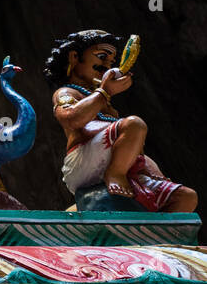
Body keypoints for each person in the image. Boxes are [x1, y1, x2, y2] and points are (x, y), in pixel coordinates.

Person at [44, 29, 196, 212]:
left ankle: (153, 233)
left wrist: (149, 171)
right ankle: (115, 174)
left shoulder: (106, 105)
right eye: (101, 57)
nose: (107, 66)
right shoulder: (67, 93)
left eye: (110, 62)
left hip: (114, 160)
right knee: (134, 124)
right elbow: (72, 119)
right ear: (74, 57)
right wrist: (104, 92)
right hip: (84, 161)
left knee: (186, 197)